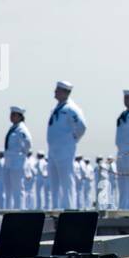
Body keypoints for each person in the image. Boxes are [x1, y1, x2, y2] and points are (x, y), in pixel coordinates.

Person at [46, 81, 86, 210]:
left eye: (57, 90)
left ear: (64, 92)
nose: (55, 92)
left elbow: (81, 126)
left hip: (64, 149)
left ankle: (69, 208)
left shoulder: (71, 108)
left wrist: (71, 139)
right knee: (54, 182)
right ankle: (55, 208)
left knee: (66, 181)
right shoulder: (57, 108)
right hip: (53, 149)